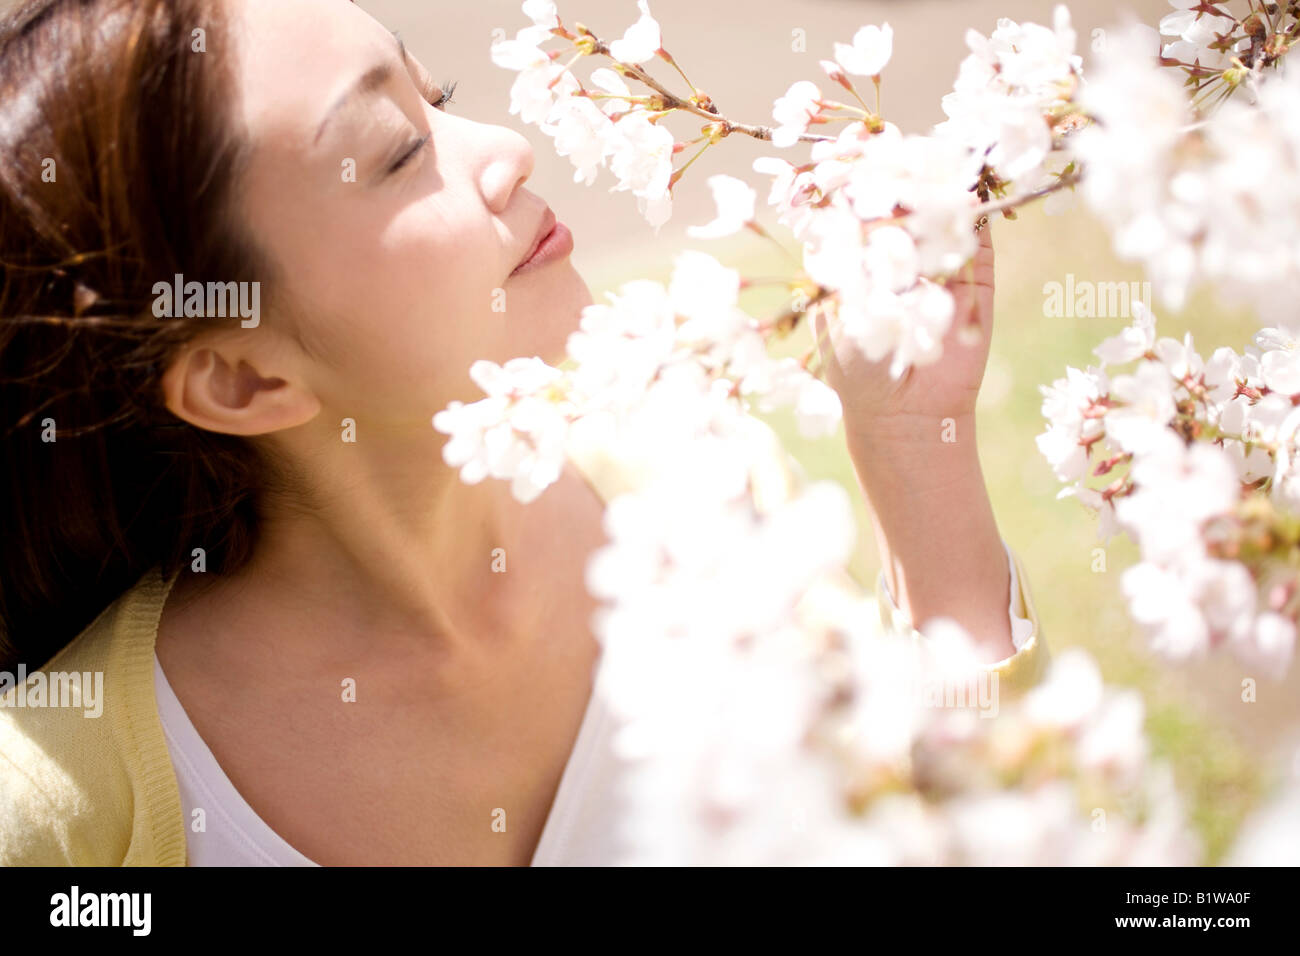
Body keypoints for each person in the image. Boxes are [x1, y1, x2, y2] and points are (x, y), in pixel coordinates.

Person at [0, 0, 1045, 866]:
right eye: (400, 151)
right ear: (239, 377)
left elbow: (979, 831)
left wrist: (917, 442)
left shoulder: (688, 482)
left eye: (437, 97)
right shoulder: (63, 810)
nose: (506, 148)